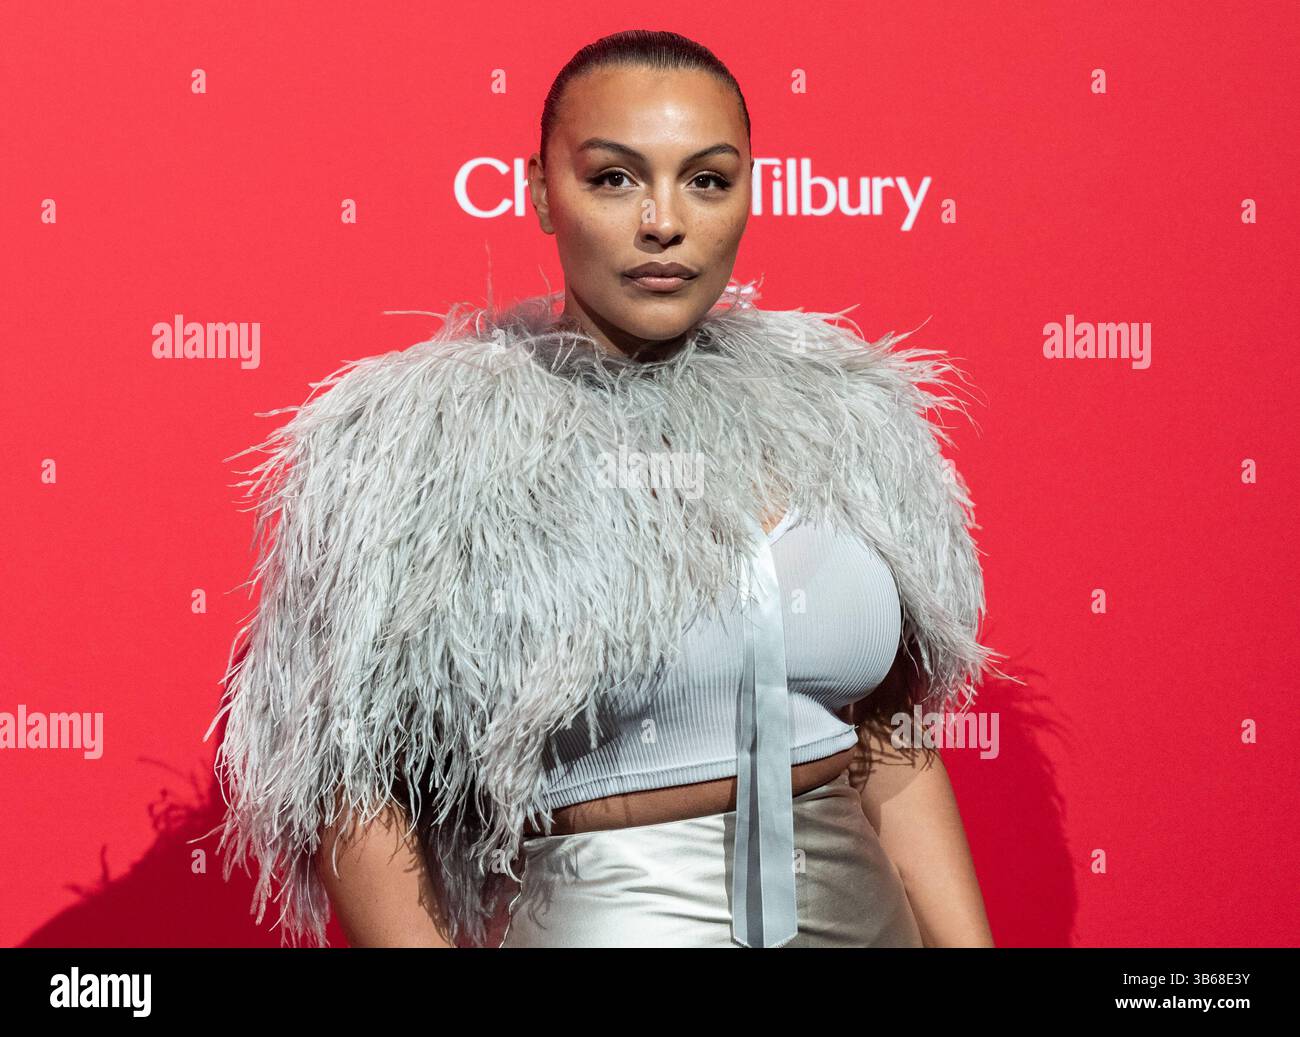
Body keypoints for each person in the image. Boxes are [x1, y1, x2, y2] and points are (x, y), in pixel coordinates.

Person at [198, 29, 1015, 949]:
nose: (663, 220)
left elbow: (891, 743)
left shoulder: (849, 415)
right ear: (543, 190)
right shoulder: (421, 449)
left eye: (707, 180)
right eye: (614, 178)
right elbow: (350, 787)